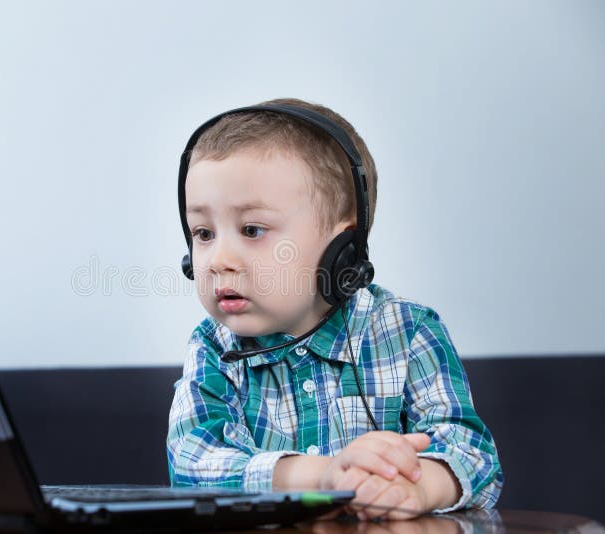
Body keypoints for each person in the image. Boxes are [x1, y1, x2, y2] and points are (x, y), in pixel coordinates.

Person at [166, 98, 503, 520]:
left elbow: (473, 455)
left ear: (341, 250)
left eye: (252, 230)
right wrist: (323, 476)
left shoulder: (408, 331)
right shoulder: (213, 348)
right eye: (203, 232)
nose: (217, 260)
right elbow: (193, 462)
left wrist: (416, 487)